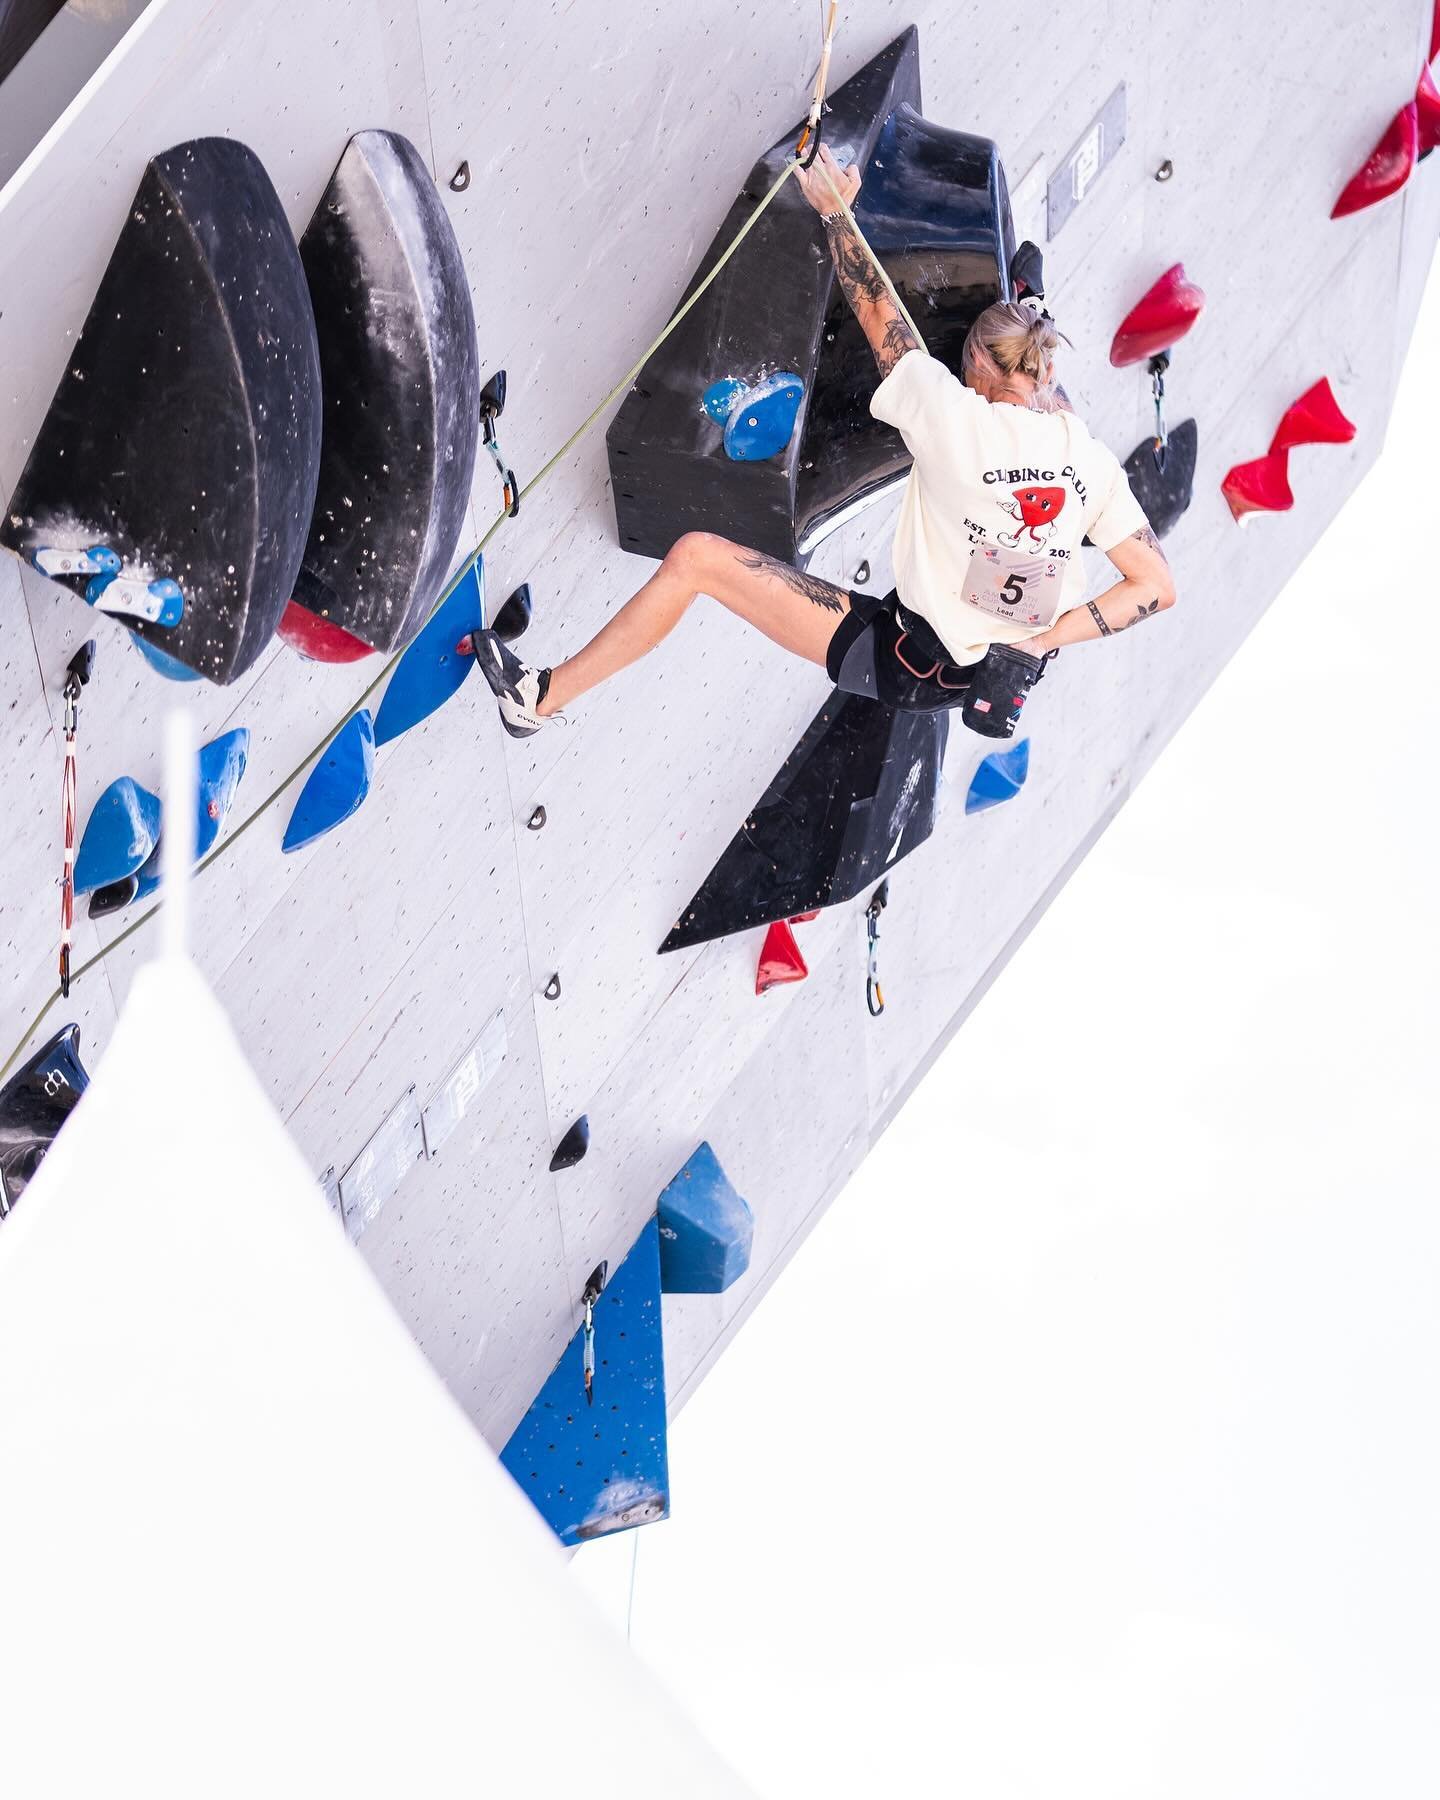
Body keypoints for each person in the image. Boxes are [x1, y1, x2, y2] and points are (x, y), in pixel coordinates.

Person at [465, 143, 1176, 741]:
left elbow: (878, 310)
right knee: (1049, 476)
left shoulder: (953, 417)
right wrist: (1044, 639)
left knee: (696, 559)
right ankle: (1032, 303)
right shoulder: (1089, 459)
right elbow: (1155, 588)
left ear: (979, 370)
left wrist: (836, 209)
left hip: (904, 654)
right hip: (995, 666)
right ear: (1045, 371)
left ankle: (536, 701)